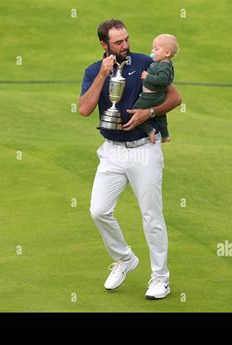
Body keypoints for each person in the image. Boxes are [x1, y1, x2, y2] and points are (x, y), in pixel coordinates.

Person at [79, 19, 182, 299]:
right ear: (104, 45)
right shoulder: (93, 70)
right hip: (111, 151)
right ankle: (124, 259)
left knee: (152, 217)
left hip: (144, 149)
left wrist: (148, 114)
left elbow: (175, 98)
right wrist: (102, 75)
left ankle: (161, 278)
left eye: (127, 39)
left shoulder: (145, 62)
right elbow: (85, 109)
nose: (125, 46)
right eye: (118, 42)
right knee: (98, 211)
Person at [134, 34, 179, 144]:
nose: (152, 50)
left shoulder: (164, 66)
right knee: (161, 116)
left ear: (167, 53)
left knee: (135, 112)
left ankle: (150, 130)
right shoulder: (161, 63)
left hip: (151, 96)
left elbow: (162, 80)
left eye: (156, 49)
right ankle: (165, 135)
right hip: (157, 97)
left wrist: (147, 76)